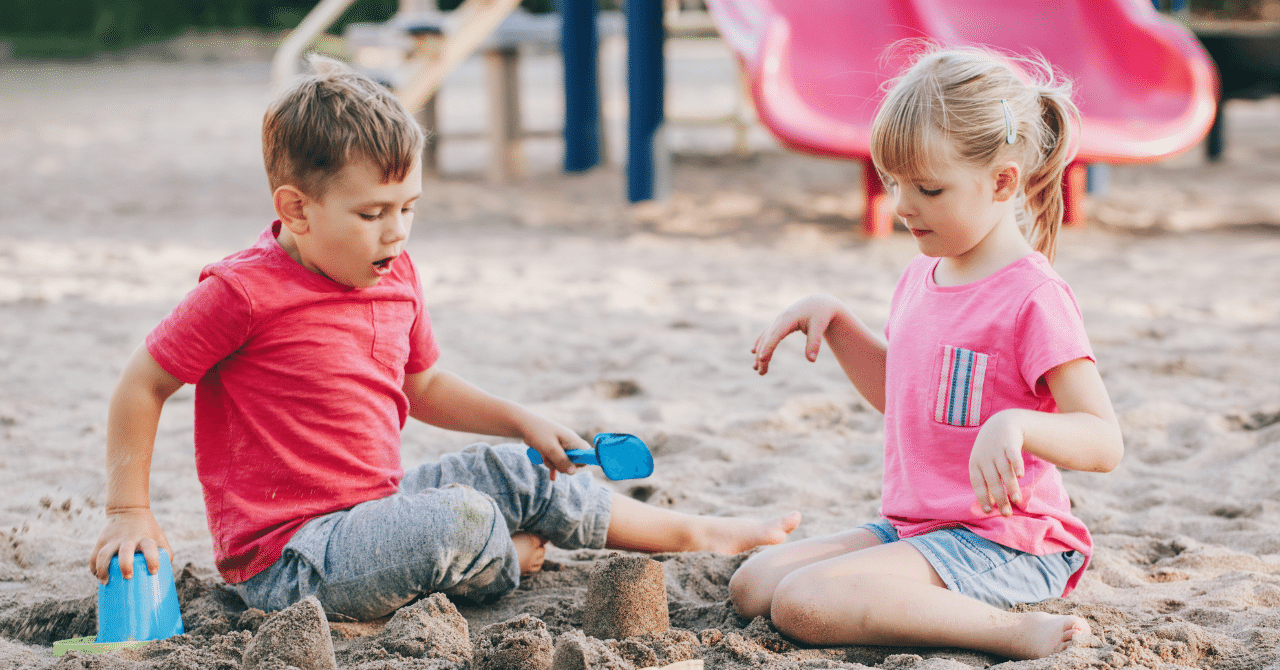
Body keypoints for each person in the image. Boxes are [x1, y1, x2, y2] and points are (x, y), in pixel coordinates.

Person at [88, 55, 800, 621]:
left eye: (408, 208)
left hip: (378, 507)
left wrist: (522, 419)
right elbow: (142, 383)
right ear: (296, 211)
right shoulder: (242, 293)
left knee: (519, 470)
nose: (395, 232)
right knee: (460, 518)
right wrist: (129, 511)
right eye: (371, 213)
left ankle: (696, 532)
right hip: (293, 556)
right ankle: (511, 557)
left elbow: (420, 384)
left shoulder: (394, 273)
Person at [729, 46, 1123, 661]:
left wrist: (1015, 423)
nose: (903, 205)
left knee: (803, 603)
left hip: (1009, 542)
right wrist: (837, 323)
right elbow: (907, 394)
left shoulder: (1033, 296)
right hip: (918, 526)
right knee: (754, 585)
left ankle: (1012, 634)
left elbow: (1104, 441)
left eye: (928, 188)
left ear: (1002, 182)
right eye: (893, 183)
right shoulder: (923, 275)